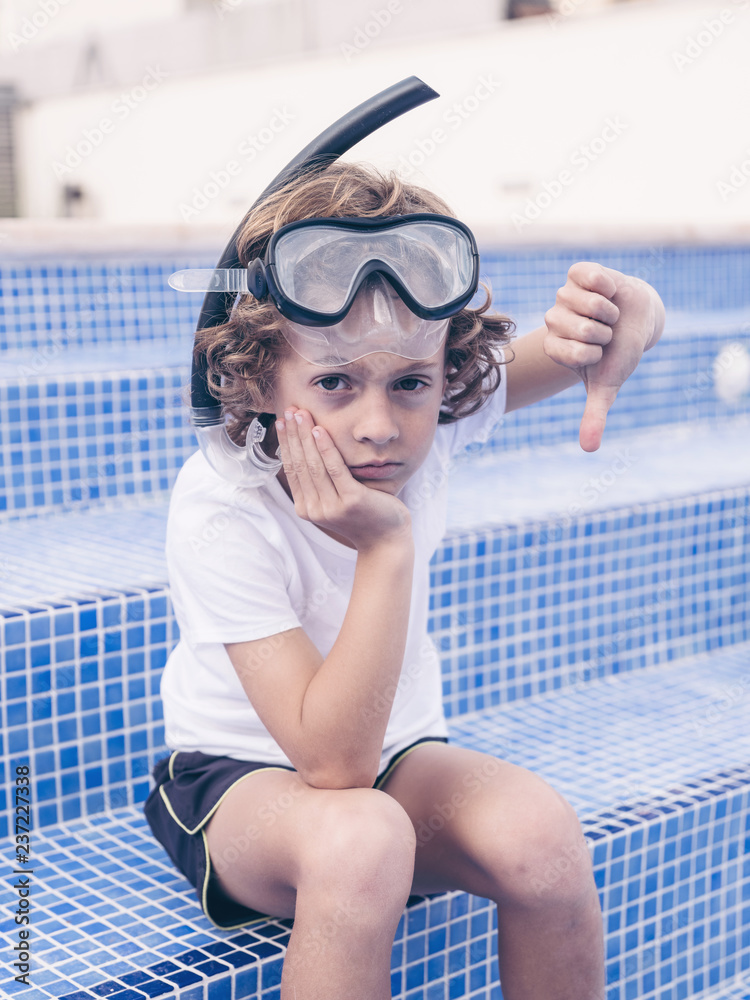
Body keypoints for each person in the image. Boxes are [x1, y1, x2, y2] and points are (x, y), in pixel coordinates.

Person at [144, 161, 665, 1000]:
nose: (379, 426)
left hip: (399, 762)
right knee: (362, 841)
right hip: (243, 785)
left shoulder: (428, 422)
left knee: (546, 837)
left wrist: (636, 309)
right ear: (260, 381)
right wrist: (386, 549)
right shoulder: (221, 506)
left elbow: (590, 338)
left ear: (442, 378)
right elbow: (333, 766)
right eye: (334, 383)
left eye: (411, 384)